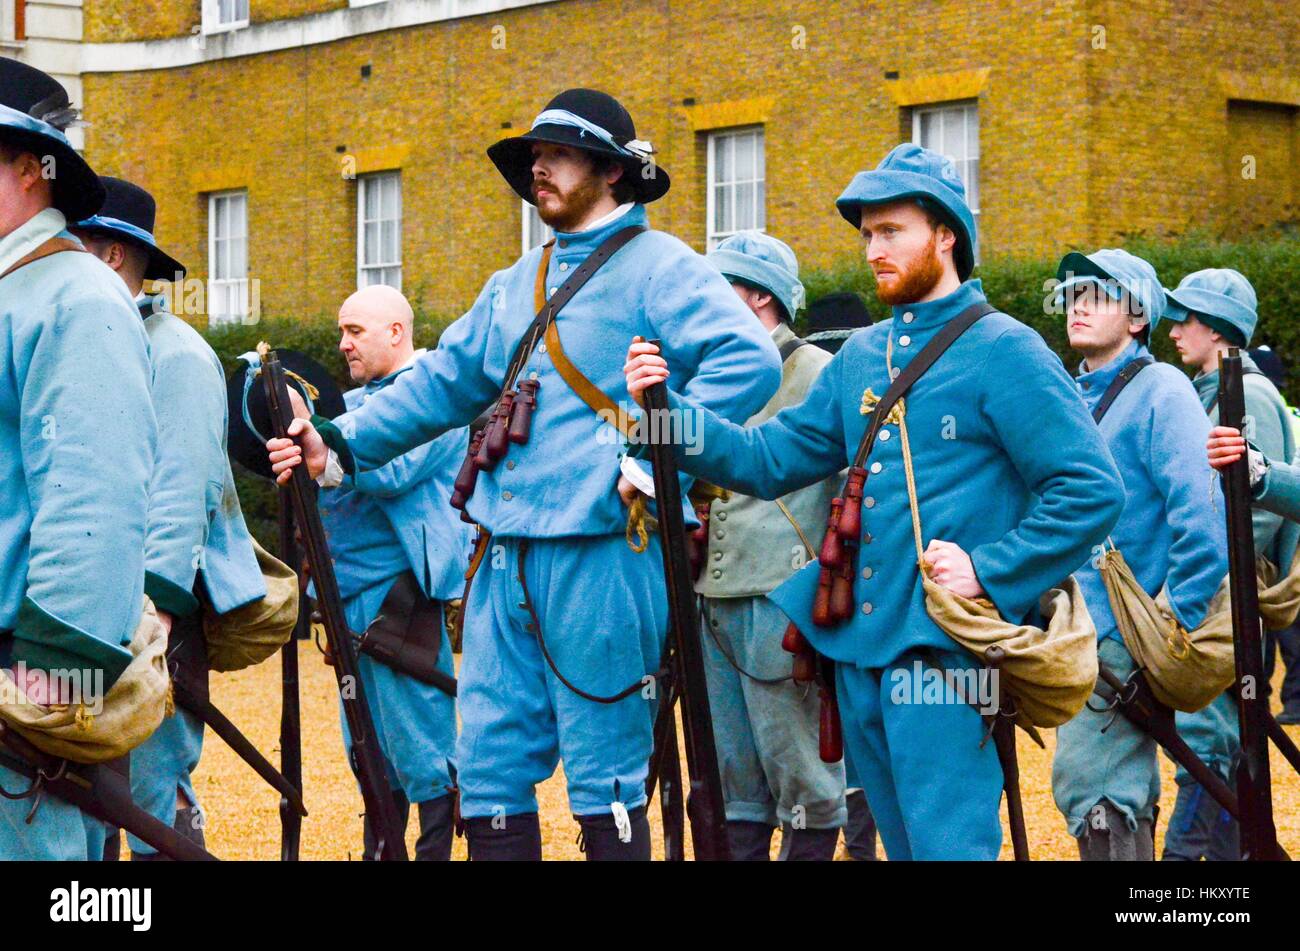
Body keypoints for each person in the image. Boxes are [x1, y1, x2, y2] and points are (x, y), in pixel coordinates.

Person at [267, 89, 780, 860]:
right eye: (534, 155)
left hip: (603, 549)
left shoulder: (662, 265)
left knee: (605, 775)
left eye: (559, 153)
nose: (537, 165)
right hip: (502, 555)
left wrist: (649, 459)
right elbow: (443, 381)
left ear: (610, 171)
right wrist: (336, 443)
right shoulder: (519, 278)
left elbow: (749, 360)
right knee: (488, 772)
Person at [623, 143, 1125, 860]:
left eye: (891, 231)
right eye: (867, 234)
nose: (873, 249)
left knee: (949, 849)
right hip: (856, 653)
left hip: (944, 654)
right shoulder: (862, 355)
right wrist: (664, 413)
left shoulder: (1005, 349)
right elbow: (767, 461)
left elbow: (1090, 490)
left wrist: (989, 568)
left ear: (946, 234)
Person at [68, 175, 269, 860]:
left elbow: (180, 495)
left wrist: (154, 624)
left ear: (112, 255)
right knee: (83, 796)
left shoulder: (177, 353)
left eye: (74, 245)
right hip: (98, 611)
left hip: (157, 618)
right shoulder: (92, 341)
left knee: (154, 798)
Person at [0, 59, 157, 859]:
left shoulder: (76, 296)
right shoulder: (18, 292)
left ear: (31, 168)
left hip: (22, 675)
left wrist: (55, 683)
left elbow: (95, 497)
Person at [1048, 249, 1227, 861]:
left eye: (1100, 295)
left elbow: (1203, 516)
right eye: (1074, 294)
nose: (1079, 305)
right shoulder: (1072, 393)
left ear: (1137, 317)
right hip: (1081, 636)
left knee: (1096, 793)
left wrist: (1167, 626)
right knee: (1119, 790)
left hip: (1128, 638)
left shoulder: (1162, 389)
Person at [694, 231, 847, 860]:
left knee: (804, 779)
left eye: (718, 287)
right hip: (714, 601)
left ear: (758, 296)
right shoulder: (713, 377)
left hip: (783, 607)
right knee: (737, 786)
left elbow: (853, 497)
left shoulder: (818, 373)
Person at [306, 284, 470, 860]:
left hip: (401, 593)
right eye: (341, 331)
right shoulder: (351, 406)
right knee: (365, 743)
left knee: (422, 744)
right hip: (345, 592)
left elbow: (391, 467)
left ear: (396, 332)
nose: (343, 344)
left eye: (356, 331)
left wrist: (321, 443)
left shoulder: (436, 397)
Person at [1164, 268, 1294, 859]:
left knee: (1210, 735)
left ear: (1217, 329)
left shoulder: (1250, 392)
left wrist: (1208, 576)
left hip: (1230, 592)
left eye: (1185, 317)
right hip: (1214, 587)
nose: (1173, 331)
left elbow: (1256, 511)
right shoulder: (1206, 390)